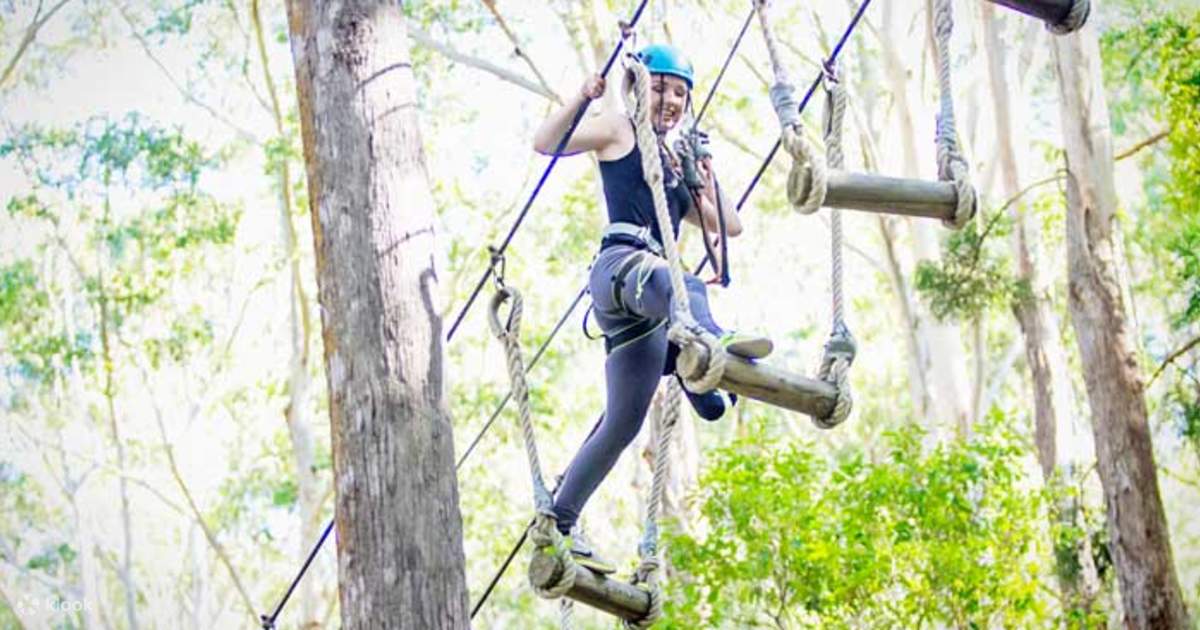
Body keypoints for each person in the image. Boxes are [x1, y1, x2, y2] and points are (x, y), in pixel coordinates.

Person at [531, 44, 772, 573]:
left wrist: (705, 173)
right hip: (623, 270)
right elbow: (545, 142)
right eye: (662, 88)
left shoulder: (674, 162)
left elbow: (728, 226)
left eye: (680, 94)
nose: (670, 101)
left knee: (623, 423)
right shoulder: (618, 129)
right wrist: (582, 97)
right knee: (682, 284)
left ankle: (559, 523)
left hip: (651, 304)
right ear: (639, 87)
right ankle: (709, 344)